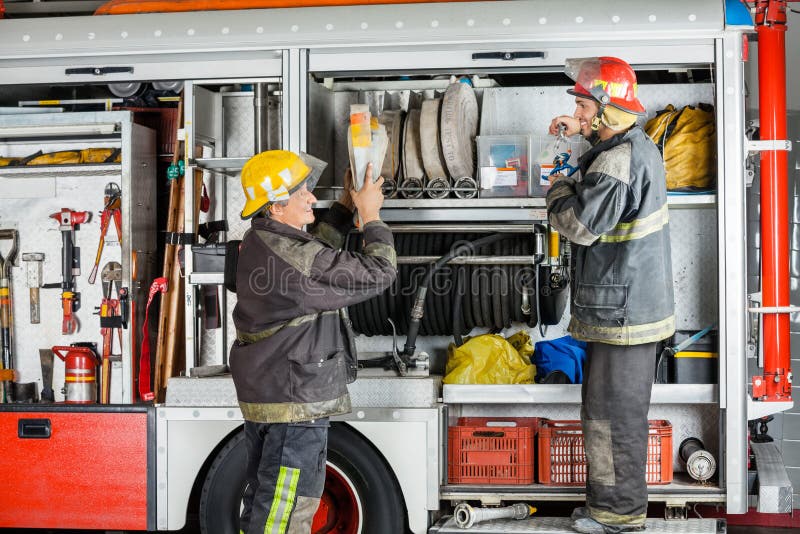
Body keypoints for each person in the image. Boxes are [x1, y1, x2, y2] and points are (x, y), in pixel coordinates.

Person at [229, 150, 396, 534]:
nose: (310, 197)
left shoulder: (264, 239)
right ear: (275, 206)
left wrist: (342, 207)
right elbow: (378, 272)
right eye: (300, 191)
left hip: (275, 395)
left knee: (265, 501)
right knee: (285, 511)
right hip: (294, 406)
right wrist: (370, 215)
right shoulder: (294, 261)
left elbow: (315, 250)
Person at [545, 57, 676, 534]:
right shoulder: (623, 148)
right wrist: (574, 140)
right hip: (622, 311)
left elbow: (579, 226)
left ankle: (620, 518)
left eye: (581, 105)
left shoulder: (618, 159)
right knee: (602, 415)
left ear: (603, 108)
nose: (577, 114)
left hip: (625, 316)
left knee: (616, 420)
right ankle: (606, 508)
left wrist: (556, 183)